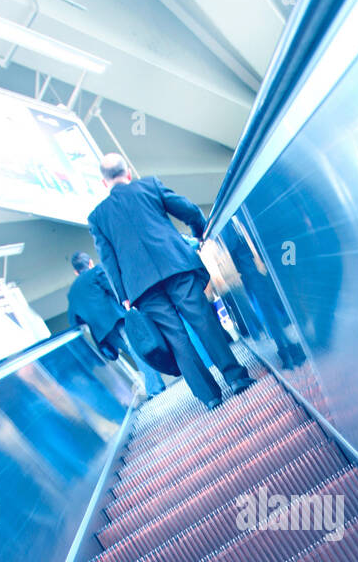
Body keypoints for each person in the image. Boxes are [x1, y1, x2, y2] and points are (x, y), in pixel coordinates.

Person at [87, 154, 254, 409]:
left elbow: (108, 260)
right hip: (177, 265)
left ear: (103, 182)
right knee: (204, 321)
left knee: (176, 339)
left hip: (141, 286)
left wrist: (123, 295)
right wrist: (200, 233)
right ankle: (236, 378)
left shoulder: (97, 217)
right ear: (128, 172)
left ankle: (210, 396)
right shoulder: (149, 185)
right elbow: (188, 209)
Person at [67, 252, 166, 398]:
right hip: (117, 320)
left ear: (75, 272)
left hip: (103, 333)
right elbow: (113, 289)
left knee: (135, 352)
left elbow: (74, 320)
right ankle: (155, 389)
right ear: (90, 263)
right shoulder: (96, 271)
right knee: (139, 351)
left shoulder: (72, 293)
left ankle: (154, 387)